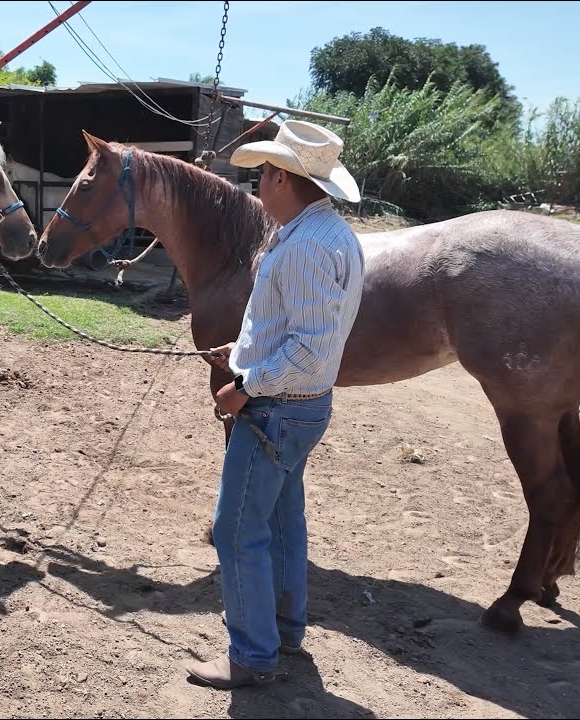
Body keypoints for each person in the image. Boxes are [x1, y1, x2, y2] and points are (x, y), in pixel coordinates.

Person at [185, 119, 366, 690]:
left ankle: (252, 655)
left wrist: (244, 387)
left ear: (284, 178)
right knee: (284, 517)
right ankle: (282, 628)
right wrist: (241, 352)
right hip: (301, 406)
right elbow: (298, 328)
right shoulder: (326, 235)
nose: (258, 183)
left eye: (264, 173)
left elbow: (309, 349)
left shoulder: (304, 247)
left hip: (277, 408)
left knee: (236, 529)